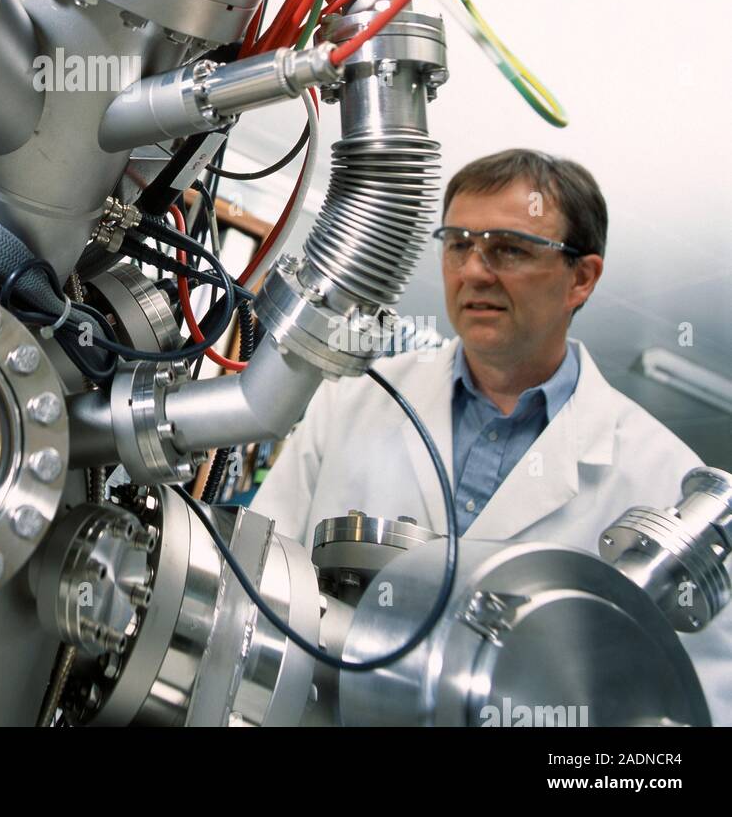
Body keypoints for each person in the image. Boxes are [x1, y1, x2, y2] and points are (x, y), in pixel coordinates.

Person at [252, 148, 732, 725]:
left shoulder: (659, 474)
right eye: (458, 244)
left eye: (508, 248)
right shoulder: (354, 398)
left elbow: (704, 693)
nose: (474, 271)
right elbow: (257, 567)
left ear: (581, 277)